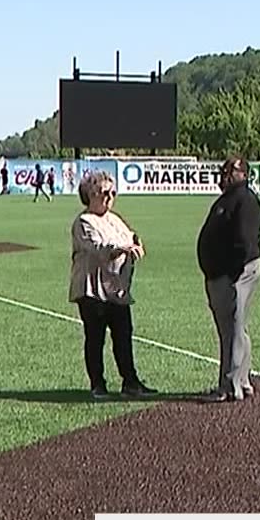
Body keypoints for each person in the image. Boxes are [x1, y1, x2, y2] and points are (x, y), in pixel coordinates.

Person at [70, 170, 154, 399]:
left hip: (116, 289)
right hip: (92, 289)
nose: (109, 197)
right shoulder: (84, 222)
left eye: (112, 192)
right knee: (95, 337)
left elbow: (131, 236)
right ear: (90, 194)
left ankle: (130, 382)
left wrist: (137, 244)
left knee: (124, 335)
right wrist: (122, 249)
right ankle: (97, 384)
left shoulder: (114, 219)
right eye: (103, 192)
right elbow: (98, 247)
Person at [197, 156, 260, 403]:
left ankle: (229, 385)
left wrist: (233, 274)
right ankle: (242, 381)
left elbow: (245, 242)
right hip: (221, 273)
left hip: (235, 273)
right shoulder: (227, 199)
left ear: (243, 174)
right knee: (234, 328)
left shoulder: (245, 200)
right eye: (223, 170)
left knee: (232, 329)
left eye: (230, 170)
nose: (224, 174)